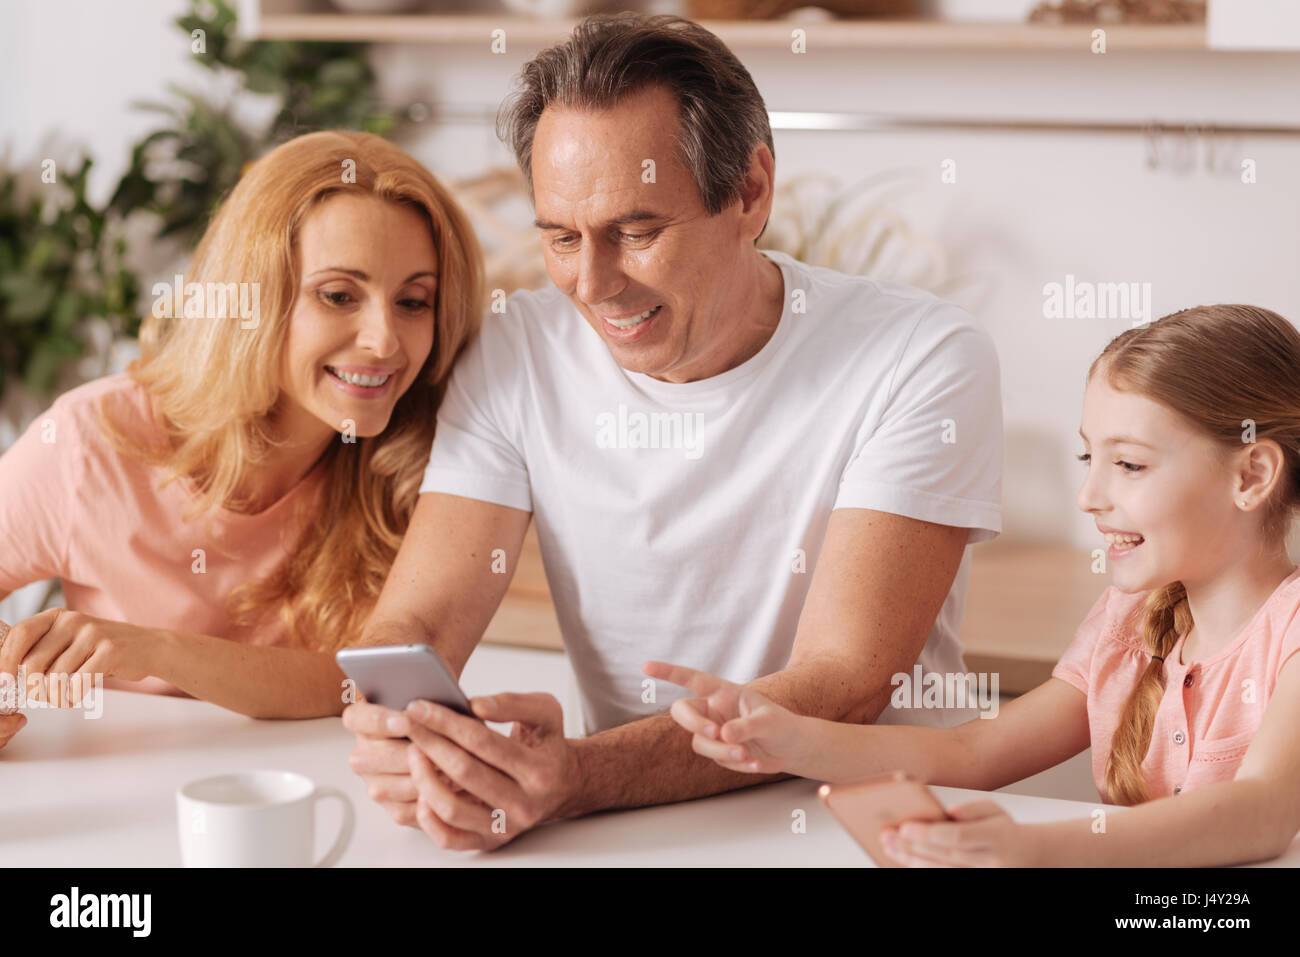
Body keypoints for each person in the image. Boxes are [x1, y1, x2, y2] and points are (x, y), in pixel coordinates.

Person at [344, 13, 1003, 850]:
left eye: (636, 232)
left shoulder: (918, 356)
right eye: (560, 237)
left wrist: (580, 775)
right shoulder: (518, 348)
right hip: (628, 830)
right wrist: (407, 730)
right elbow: (423, 623)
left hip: (861, 826)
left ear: (750, 192)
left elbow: (844, 684)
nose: (593, 284)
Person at [652, 303, 1300, 867]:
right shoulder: (1129, 618)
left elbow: (1261, 811)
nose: (1088, 496)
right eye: (1088, 457)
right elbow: (976, 748)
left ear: (1251, 475)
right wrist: (787, 737)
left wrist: (1034, 851)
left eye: (1128, 463)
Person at [0, 131, 484, 745]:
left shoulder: (418, 460)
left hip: (328, 801)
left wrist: (155, 650)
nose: (385, 340)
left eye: (414, 302)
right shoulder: (87, 444)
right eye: (338, 295)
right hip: (121, 801)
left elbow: (369, 682)